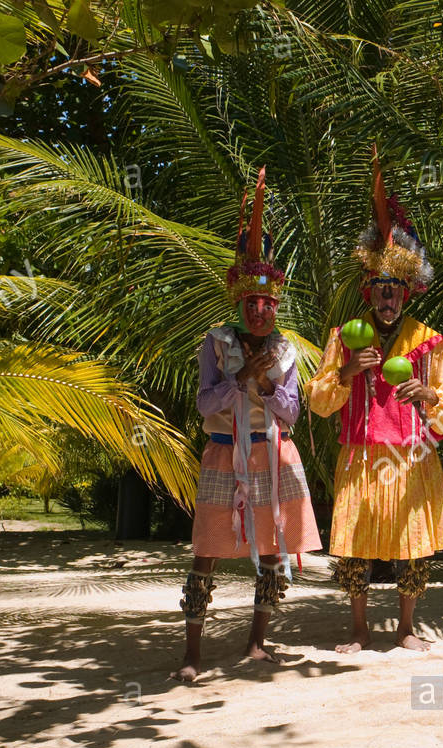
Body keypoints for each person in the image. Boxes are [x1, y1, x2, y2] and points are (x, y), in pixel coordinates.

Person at [307, 159, 443, 653]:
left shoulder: (430, 341)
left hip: (412, 456)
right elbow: (319, 400)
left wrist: (429, 395)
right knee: (353, 546)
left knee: (412, 546)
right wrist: (349, 372)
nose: (388, 300)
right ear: (369, 293)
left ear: (406, 293)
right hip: (359, 454)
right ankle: (358, 629)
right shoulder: (344, 339)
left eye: (395, 292)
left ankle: (406, 627)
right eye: (381, 291)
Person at [174, 168, 322, 682]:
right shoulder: (215, 343)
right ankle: (192, 653)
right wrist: (240, 377)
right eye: (252, 303)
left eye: (268, 304)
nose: (260, 311)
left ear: (275, 306)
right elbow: (203, 402)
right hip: (224, 451)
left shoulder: (286, 349)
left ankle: (257, 641)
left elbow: (293, 412)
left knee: (272, 553)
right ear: (239, 303)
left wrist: (261, 385)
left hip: (274, 451)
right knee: (208, 552)